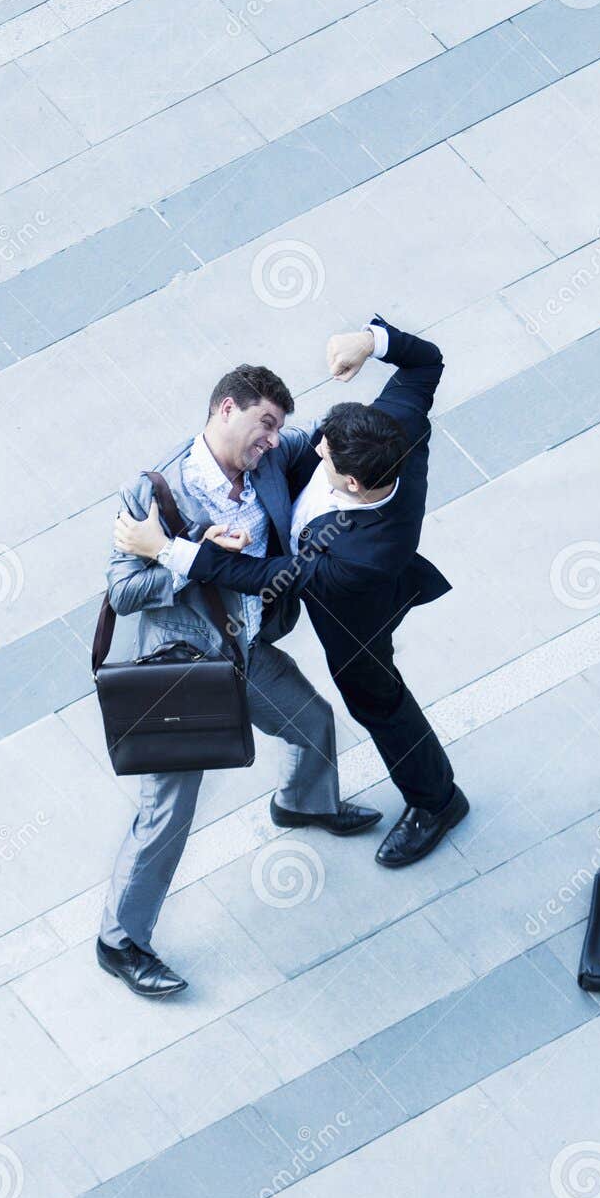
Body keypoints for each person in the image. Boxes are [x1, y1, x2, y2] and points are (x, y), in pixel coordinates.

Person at [114, 316, 466, 869]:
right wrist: (371, 342)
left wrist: (170, 551)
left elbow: (267, 574)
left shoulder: (360, 557)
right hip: (341, 574)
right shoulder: (393, 425)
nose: (312, 449)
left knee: (377, 700)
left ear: (350, 484)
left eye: (324, 456)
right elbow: (428, 361)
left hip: (356, 616)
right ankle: (308, 800)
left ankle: (437, 801)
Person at [97, 364, 378, 1000]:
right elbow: (122, 590)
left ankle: (304, 803)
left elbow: (333, 437)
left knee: (312, 721)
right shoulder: (155, 494)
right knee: (166, 812)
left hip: (247, 648)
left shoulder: (271, 460)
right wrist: (193, 552)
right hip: (187, 670)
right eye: (266, 424)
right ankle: (120, 941)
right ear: (228, 409)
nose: (275, 439)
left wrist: (386, 361)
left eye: (279, 427)